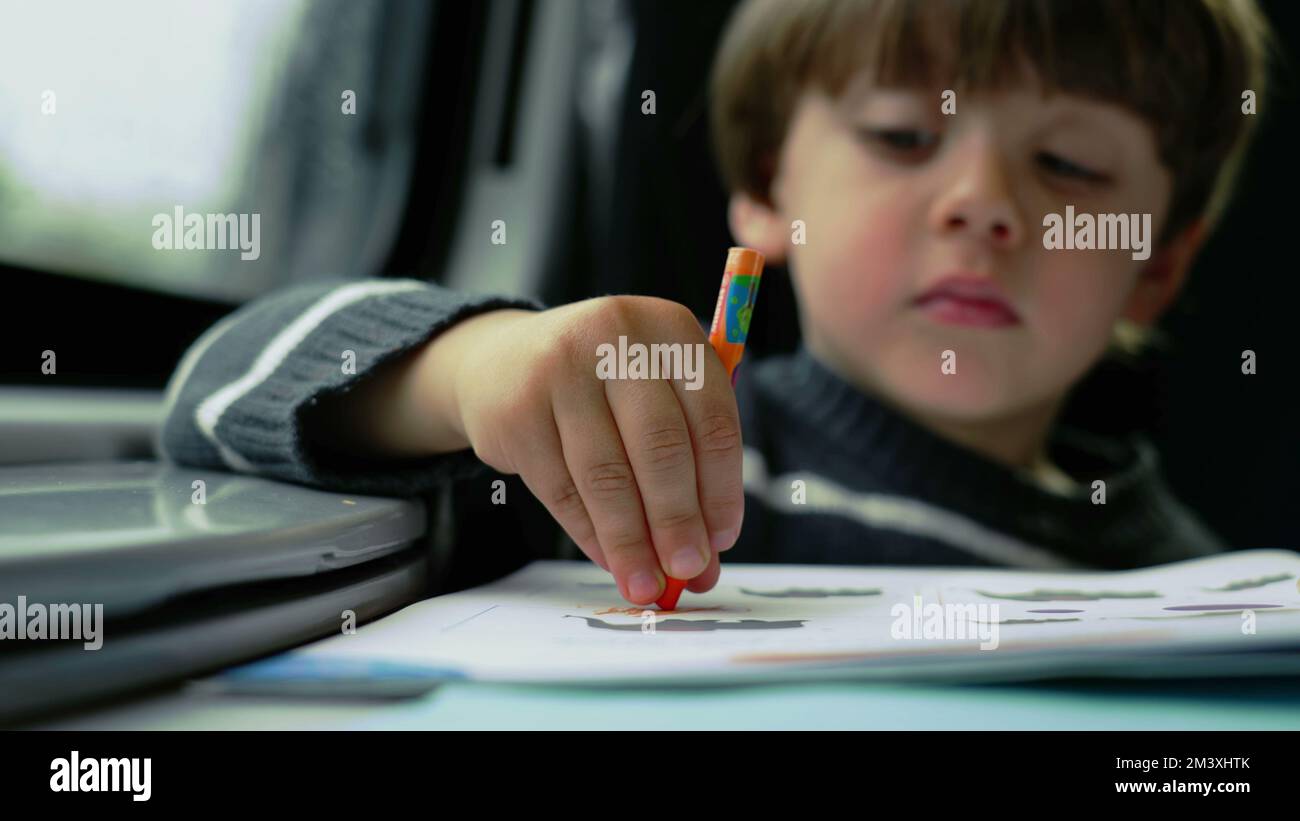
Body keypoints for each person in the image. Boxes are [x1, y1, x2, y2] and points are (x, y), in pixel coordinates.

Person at [159, 0, 1274, 607]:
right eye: (901, 138)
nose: (981, 206)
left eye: (1069, 165)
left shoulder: (1206, 583)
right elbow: (215, 391)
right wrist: (481, 368)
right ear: (764, 194)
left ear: (1156, 264)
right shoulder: (634, 471)